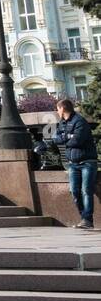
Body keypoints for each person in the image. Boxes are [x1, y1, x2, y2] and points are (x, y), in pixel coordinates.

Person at [55, 98, 96, 229]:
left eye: (57, 109)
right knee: (74, 191)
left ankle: (87, 220)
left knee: (86, 190)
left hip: (87, 162)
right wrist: (68, 137)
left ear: (62, 108)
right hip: (73, 163)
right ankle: (84, 217)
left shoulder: (80, 121)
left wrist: (65, 138)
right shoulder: (61, 123)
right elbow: (56, 138)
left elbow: (77, 141)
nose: (57, 112)